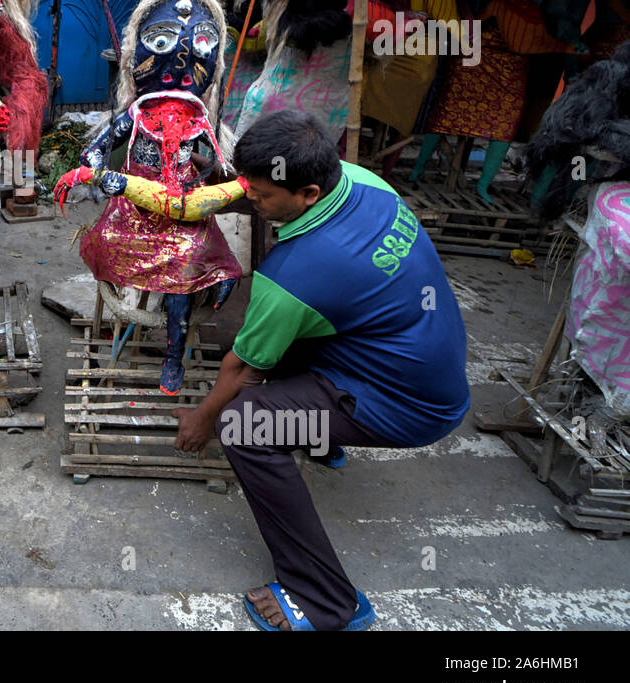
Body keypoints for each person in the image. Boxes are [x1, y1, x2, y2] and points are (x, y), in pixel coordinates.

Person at [173, 109, 470, 631]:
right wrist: (227, 185)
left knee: (244, 424)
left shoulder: (294, 277)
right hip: (418, 353)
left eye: (261, 197)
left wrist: (203, 420)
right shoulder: (362, 181)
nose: (255, 203)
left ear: (308, 192)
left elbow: (241, 370)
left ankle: (327, 601)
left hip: (409, 405)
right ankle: (318, 437)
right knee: (292, 337)